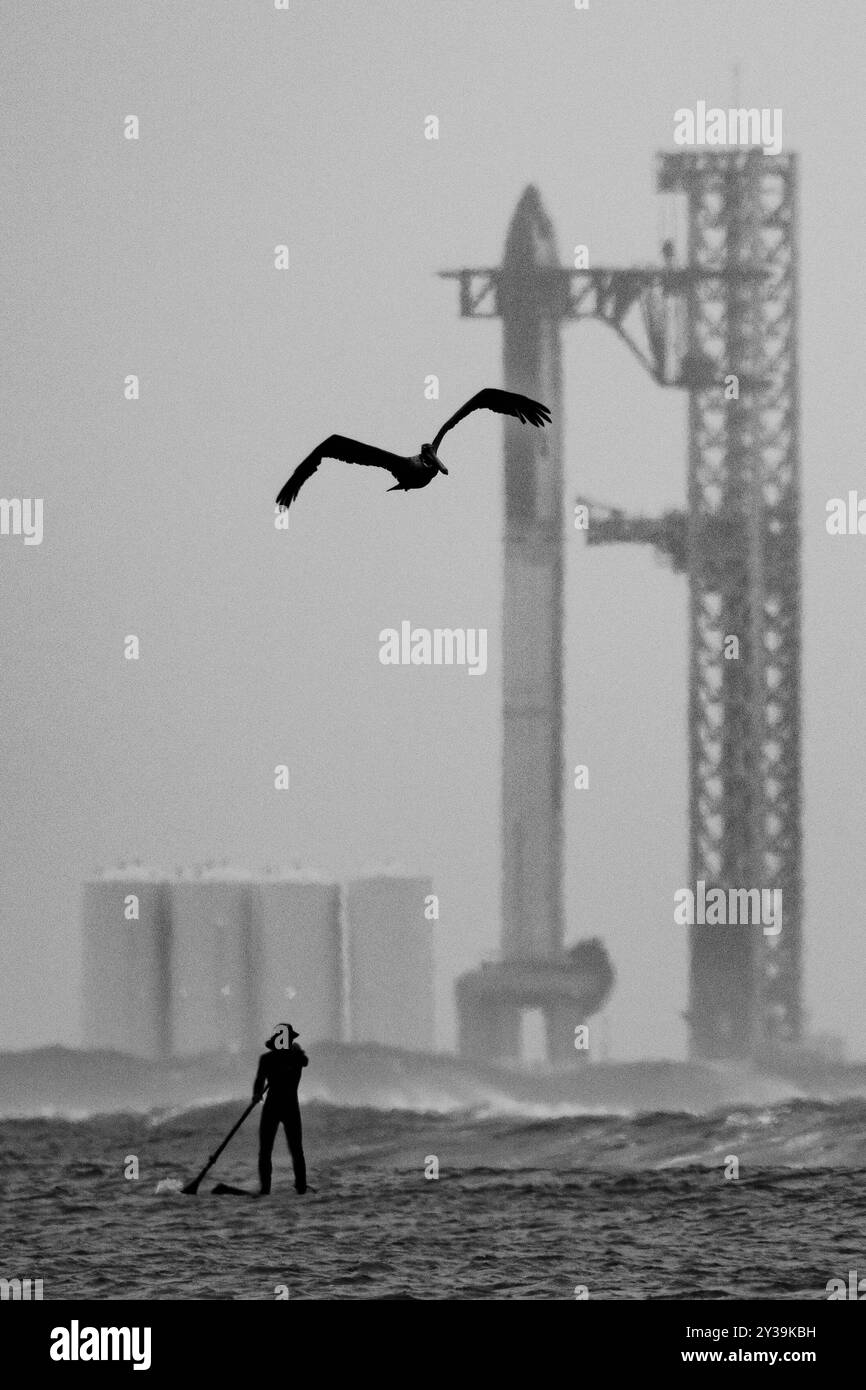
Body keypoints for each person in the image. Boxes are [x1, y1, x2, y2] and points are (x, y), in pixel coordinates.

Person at [253, 1023, 308, 1195]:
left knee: (295, 1149)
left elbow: (304, 1060)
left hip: (288, 1106)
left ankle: (300, 1186)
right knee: (266, 1149)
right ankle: (266, 1188)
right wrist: (256, 1095)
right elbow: (259, 1080)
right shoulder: (270, 1059)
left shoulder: (295, 1058)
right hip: (276, 1106)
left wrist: (293, 1052)